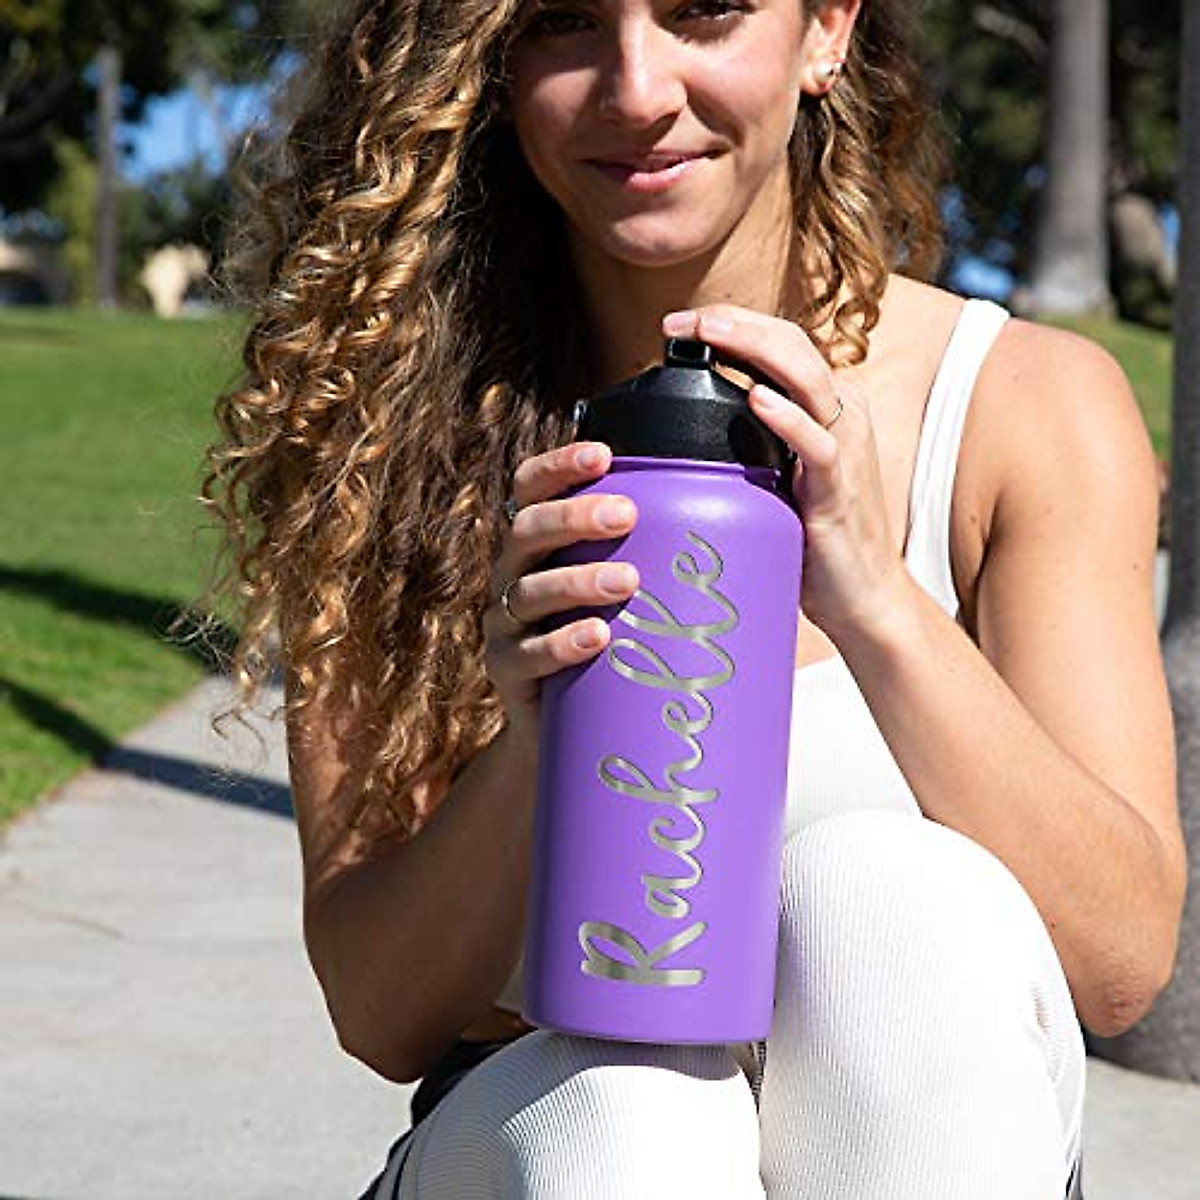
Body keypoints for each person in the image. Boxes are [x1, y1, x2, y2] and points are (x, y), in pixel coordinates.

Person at [204, 0, 1186, 1195]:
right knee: (633, 1113)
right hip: (554, 1149)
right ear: (493, 63)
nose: (637, 88)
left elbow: (1120, 963)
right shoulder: (386, 438)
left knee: (888, 900)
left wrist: (877, 602)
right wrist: (538, 740)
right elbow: (381, 1014)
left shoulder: (1019, 407)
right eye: (566, 22)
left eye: (704, 12)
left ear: (826, 29)